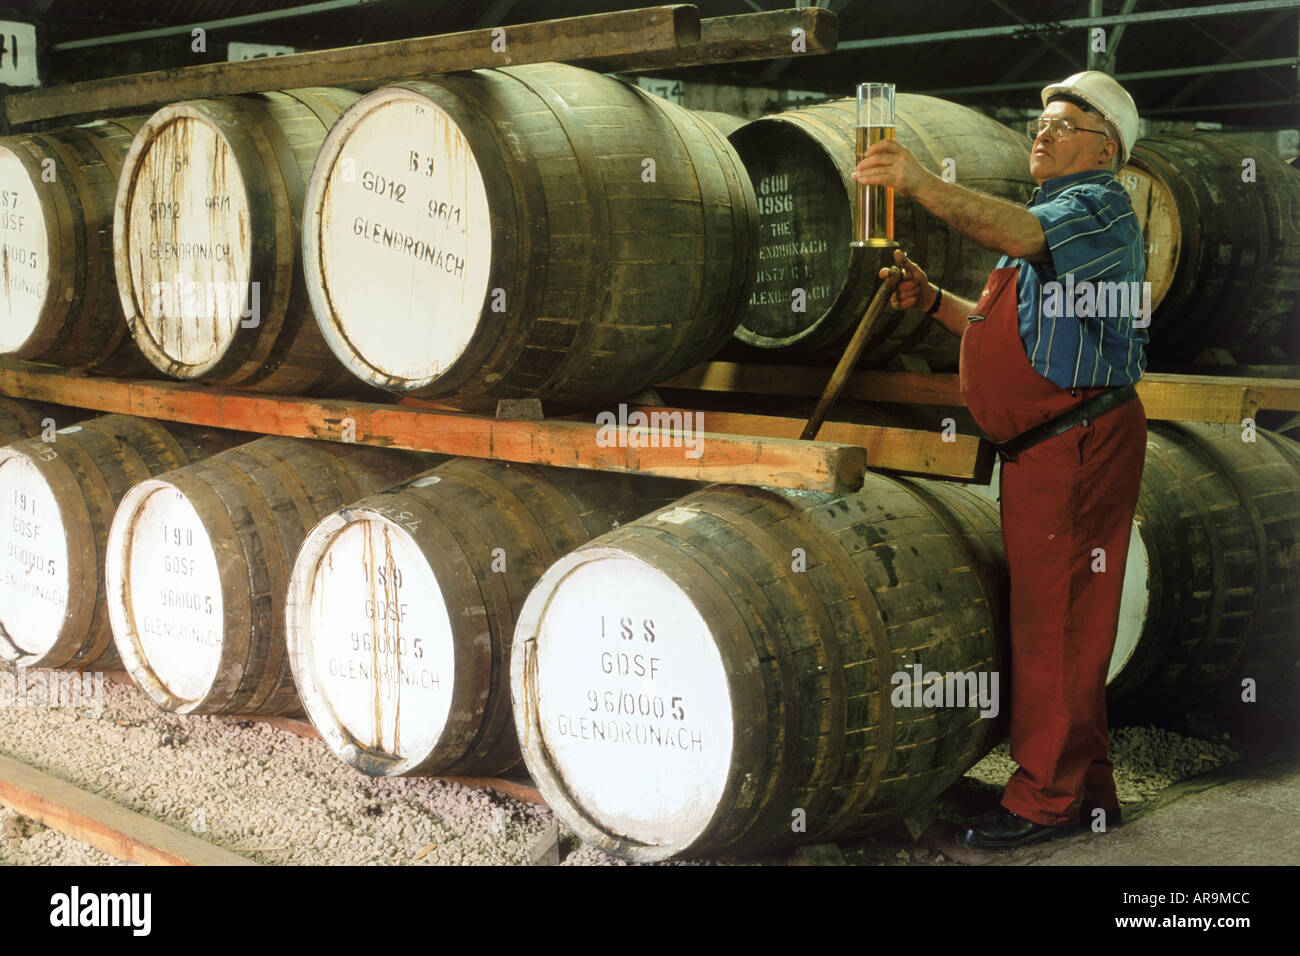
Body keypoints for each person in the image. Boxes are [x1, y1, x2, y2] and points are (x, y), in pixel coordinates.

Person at [852, 71, 1147, 850]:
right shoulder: (1050, 218)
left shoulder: (1098, 207)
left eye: (1062, 124)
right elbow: (1005, 326)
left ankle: (1044, 804)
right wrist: (934, 301)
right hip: (1046, 447)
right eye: (1038, 121)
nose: (1041, 134)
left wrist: (916, 181)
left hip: (1075, 440)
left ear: (1105, 146)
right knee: (1060, 621)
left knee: (1056, 624)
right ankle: (1086, 793)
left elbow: (1019, 237)